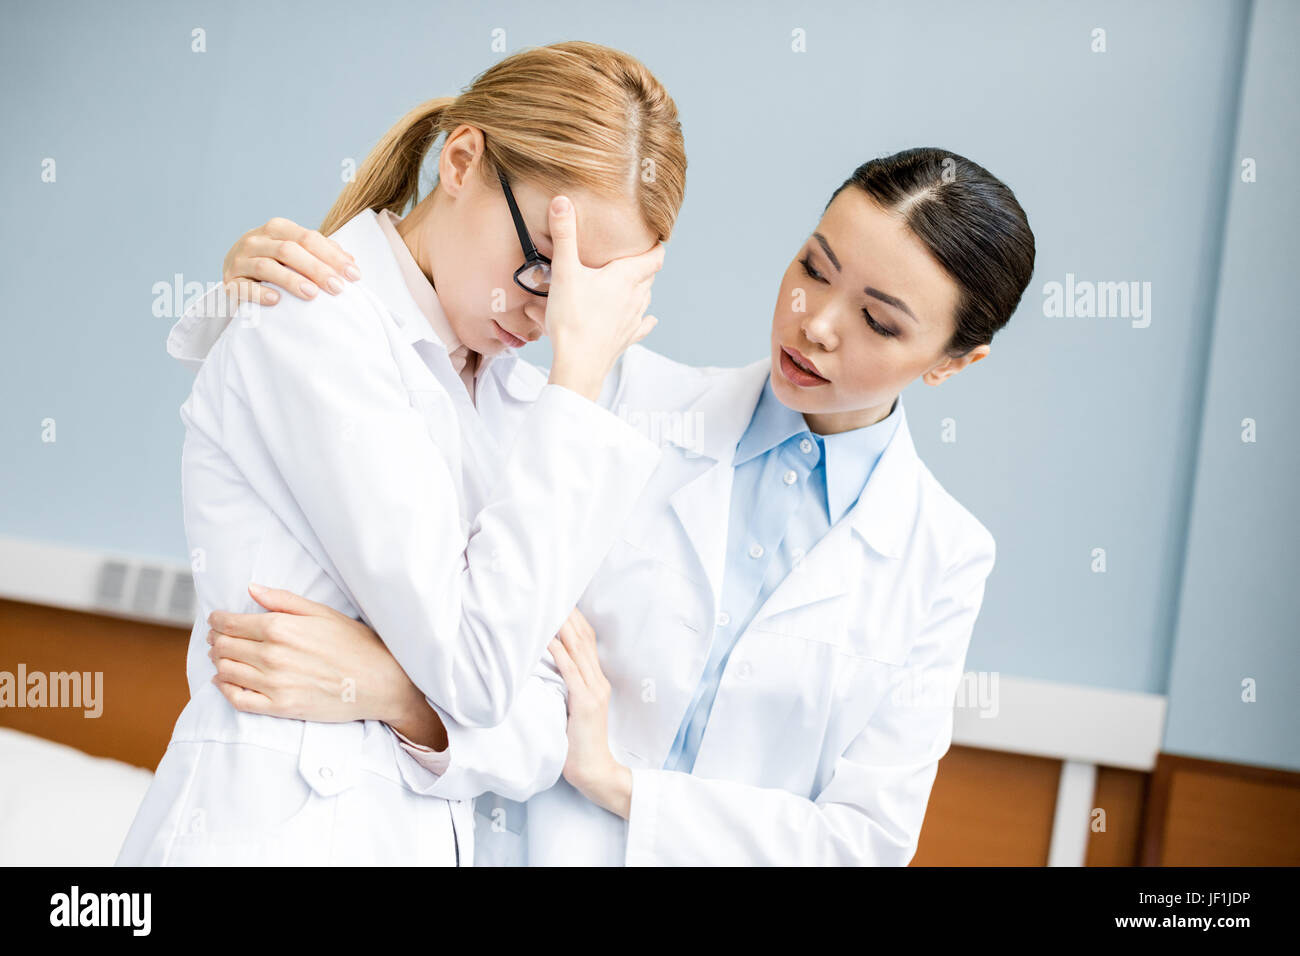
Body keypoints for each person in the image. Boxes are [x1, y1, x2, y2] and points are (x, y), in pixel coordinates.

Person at [177, 146, 1034, 865]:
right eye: (814, 267)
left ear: (953, 363)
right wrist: (269, 282)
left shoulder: (946, 556)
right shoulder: (605, 403)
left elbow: (863, 844)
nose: (816, 322)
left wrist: (619, 785)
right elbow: (401, 376)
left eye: (880, 321)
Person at [115, 41, 687, 866]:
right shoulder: (312, 327)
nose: (547, 322)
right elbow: (482, 673)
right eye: (543, 272)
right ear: (461, 161)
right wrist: (577, 384)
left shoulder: (512, 403)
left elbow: (537, 732)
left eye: (580, 298)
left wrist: (393, 692)